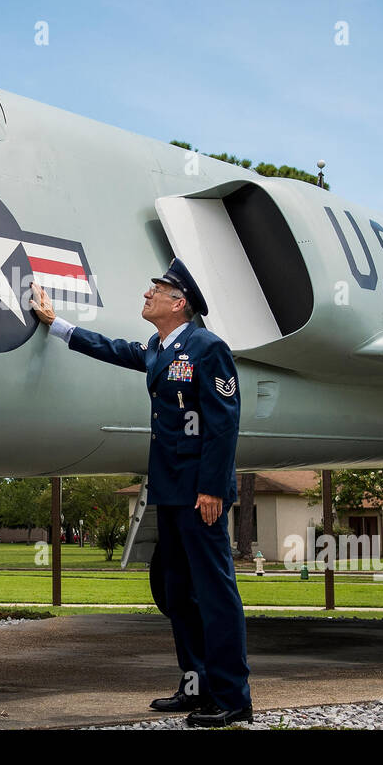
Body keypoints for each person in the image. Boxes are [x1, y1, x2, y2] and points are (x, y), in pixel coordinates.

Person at [29, 259, 252, 727]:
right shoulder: (157, 347)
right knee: (177, 593)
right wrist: (58, 326)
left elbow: (224, 422)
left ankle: (233, 697)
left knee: (214, 592)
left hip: (200, 495)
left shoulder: (208, 348)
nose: (147, 293)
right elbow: (115, 349)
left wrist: (213, 488)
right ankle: (196, 686)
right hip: (168, 492)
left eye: (157, 288)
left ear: (180, 302)